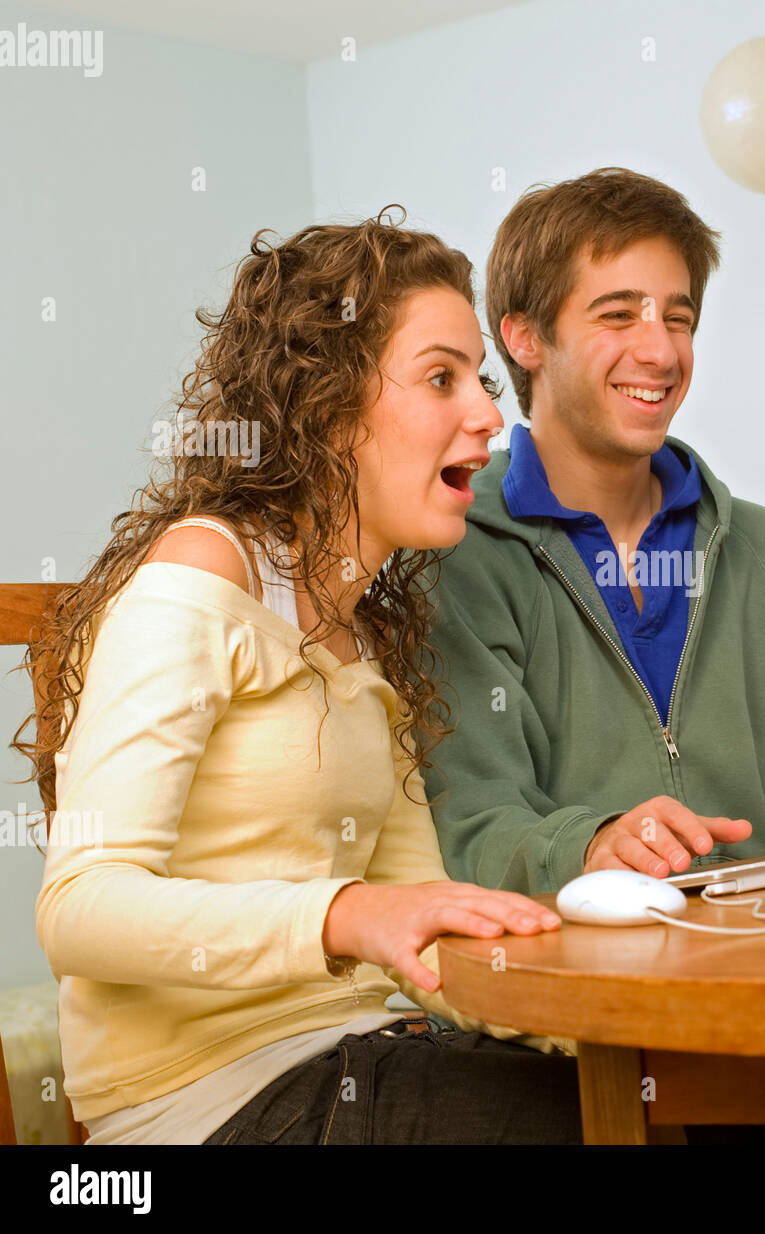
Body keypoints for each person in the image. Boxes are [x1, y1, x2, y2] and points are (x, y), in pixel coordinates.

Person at [17, 208, 582, 1145]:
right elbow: (79, 910)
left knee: (664, 1103)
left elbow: (420, 931)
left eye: (478, 381)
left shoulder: (369, 637)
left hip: (368, 1049)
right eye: (441, 378)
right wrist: (347, 915)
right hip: (209, 1098)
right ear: (327, 408)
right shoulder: (200, 577)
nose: (489, 413)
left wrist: (606, 1026)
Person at [424, 167, 765, 894]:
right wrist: (594, 846)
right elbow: (477, 825)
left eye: (679, 317)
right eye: (619, 315)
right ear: (527, 338)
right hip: (582, 979)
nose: (661, 352)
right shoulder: (458, 553)